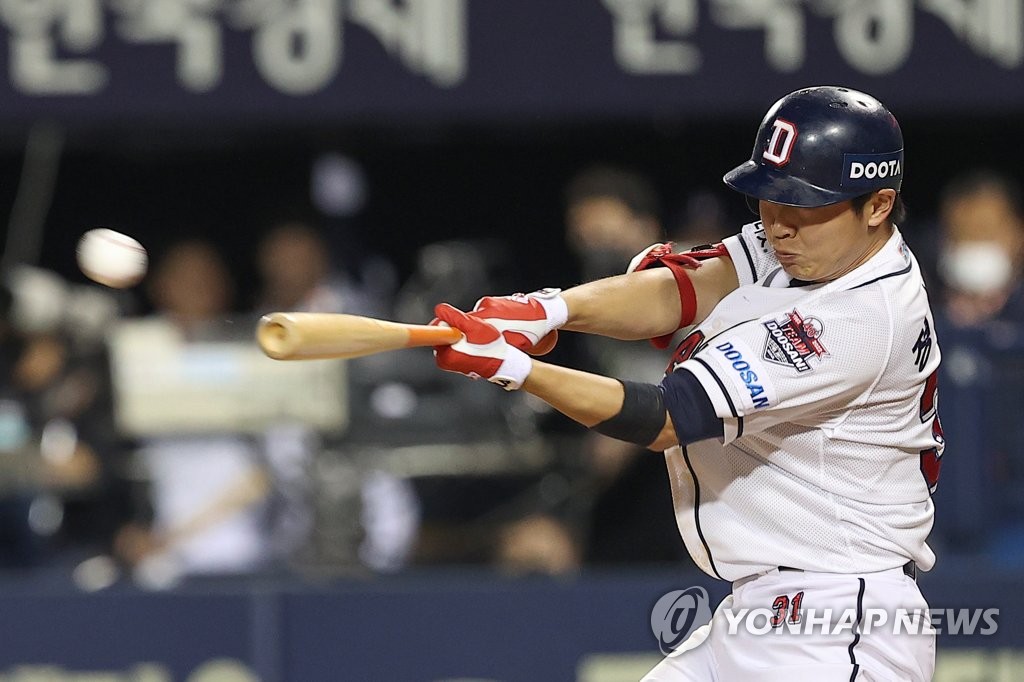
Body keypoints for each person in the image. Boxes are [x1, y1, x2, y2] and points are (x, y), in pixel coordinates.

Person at [431, 86, 940, 680]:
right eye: (770, 199)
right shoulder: (824, 246)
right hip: (761, 608)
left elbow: (667, 418)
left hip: (836, 621)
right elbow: (685, 288)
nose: (778, 225)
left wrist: (519, 370)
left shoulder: (860, 317)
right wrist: (549, 311)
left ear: (878, 205)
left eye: (803, 205)